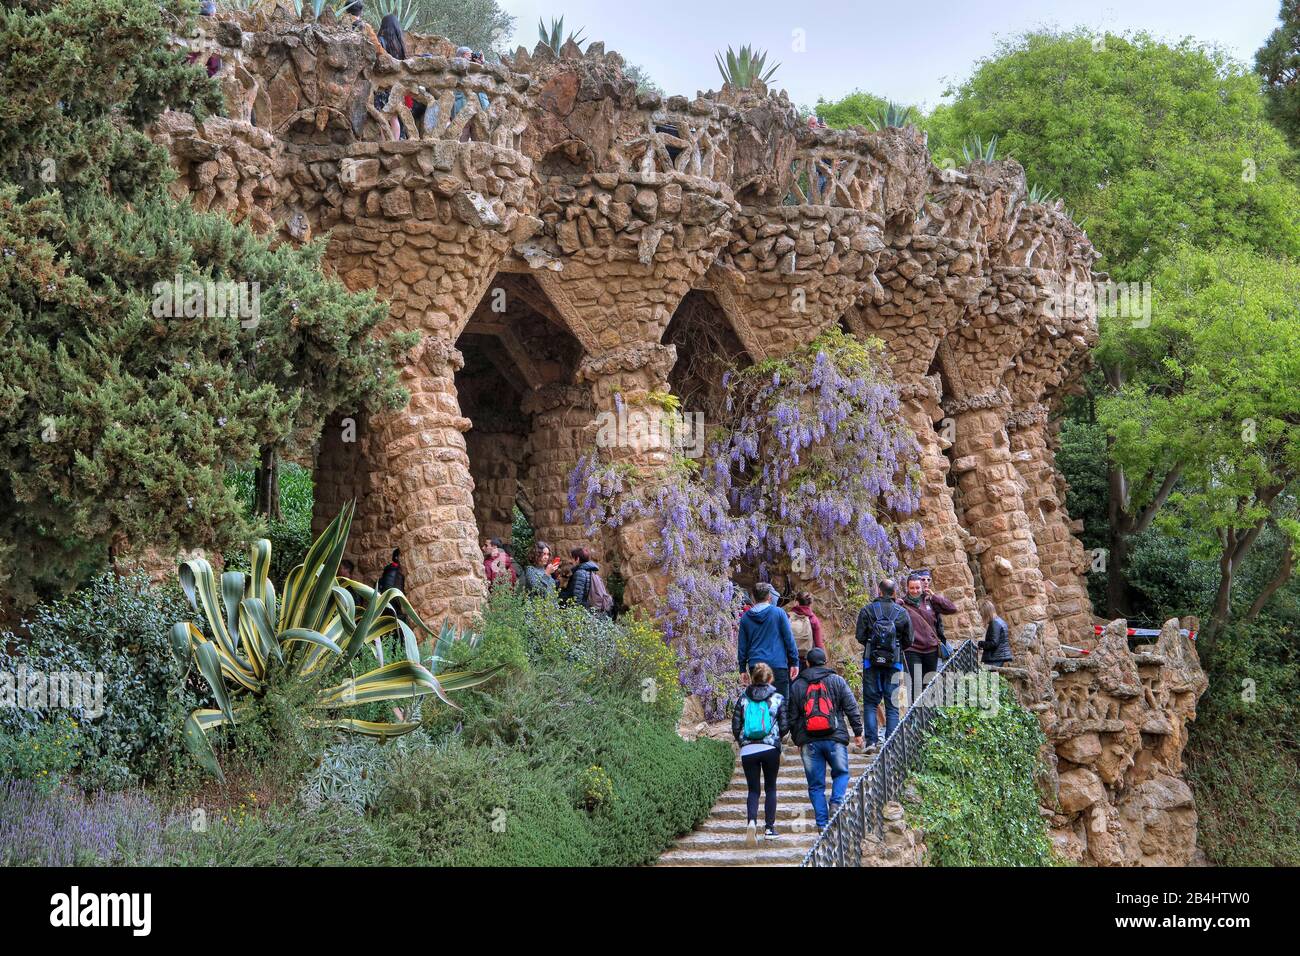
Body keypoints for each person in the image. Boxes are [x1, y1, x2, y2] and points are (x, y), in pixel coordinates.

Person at [788, 647, 864, 831]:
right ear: (825, 662)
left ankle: (822, 824)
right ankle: (836, 803)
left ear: (807, 663)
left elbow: (792, 717)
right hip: (834, 738)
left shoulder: (798, 685)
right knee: (841, 773)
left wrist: (798, 740)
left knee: (815, 786)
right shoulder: (837, 681)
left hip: (809, 741)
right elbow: (851, 707)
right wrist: (858, 732)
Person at [730, 662, 790, 845]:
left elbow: (736, 725)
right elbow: (785, 726)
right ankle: (770, 829)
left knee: (753, 790)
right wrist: (776, 739)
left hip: (749, 750)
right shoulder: (778, 698)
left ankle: (751, 823)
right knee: (770, 788)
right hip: (770, 748)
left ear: (753, 678)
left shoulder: (743, 698)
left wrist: (743, 742)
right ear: (770, 678)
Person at [855, 578, 912, 749]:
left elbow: (860, 636)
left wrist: (873, 646)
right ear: (894, 593)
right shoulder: (901, 612)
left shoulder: (867, 610)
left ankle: (871, 741)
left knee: (871, 702)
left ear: (879, 591)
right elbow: (909, 640)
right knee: (892, 704)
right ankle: (891, 744)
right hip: (894, 663)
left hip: (870, 662)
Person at [899, 572, 957, 695]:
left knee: (929, 684)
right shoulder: (903, 604)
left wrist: (935, 597)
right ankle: (918, 713)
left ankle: (928, 712)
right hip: (912, 650)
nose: (915, 591)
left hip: (931, 649)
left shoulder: (929, 601)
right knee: (917, 685)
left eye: (917, 588)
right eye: (912, 588)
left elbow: (952, 608)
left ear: (922, 587)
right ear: (907, 588)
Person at [738, 583, 799, 699]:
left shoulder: (746, 618)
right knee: (781, 705)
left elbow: (742, 646)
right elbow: (789, 639)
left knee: (760, 703)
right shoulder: (779, 613)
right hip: (778, 664)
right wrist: (794, 662)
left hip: (756, 666)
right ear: (769, 597)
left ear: (753, 598)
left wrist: (742, 669)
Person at [559, 547, 613, 615]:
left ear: (577, 559)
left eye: (572, 558)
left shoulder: (580, 573)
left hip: (584, 612)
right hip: (590, 610)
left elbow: (577, 598)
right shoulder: (591, 571)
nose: (571, 561)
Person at [788, 591, 824, 671]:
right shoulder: (813, 619)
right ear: (810, 604)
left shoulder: (787, 617)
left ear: (796, 602)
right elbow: (819, 644)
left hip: (789, 660)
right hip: (806, 661)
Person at [978, 599, 1012, 666]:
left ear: (986, 612)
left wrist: (980, 644)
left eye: (982, 614)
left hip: (994, 659)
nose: (981, 616)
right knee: (989, 676)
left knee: (985, 676)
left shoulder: (994, 623)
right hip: (999, 658)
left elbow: (993, 643)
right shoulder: (1000, 621)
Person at [377, 548, 406, 622]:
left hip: (385, 603)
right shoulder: (396, 571)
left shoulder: (388, 569)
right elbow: (395, 588)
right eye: (401, 556)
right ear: (397, 557)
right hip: (393, 604)